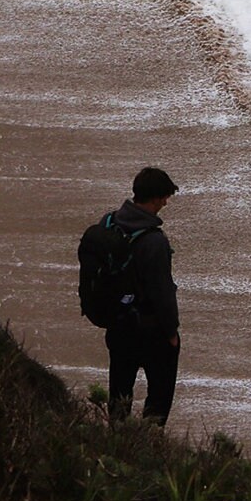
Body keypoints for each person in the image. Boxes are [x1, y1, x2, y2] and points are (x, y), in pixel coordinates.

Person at [99, 166, 182, 425]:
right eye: (165, 198)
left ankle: (116, 439)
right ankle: (150, 444)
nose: (166, 203)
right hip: (150, 329)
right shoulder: (154, 241)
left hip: (117, 323)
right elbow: (162, 292)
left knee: (119, 392)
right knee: (159, 396)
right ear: (155, 198)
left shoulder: (108, 223)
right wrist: (172, 333)